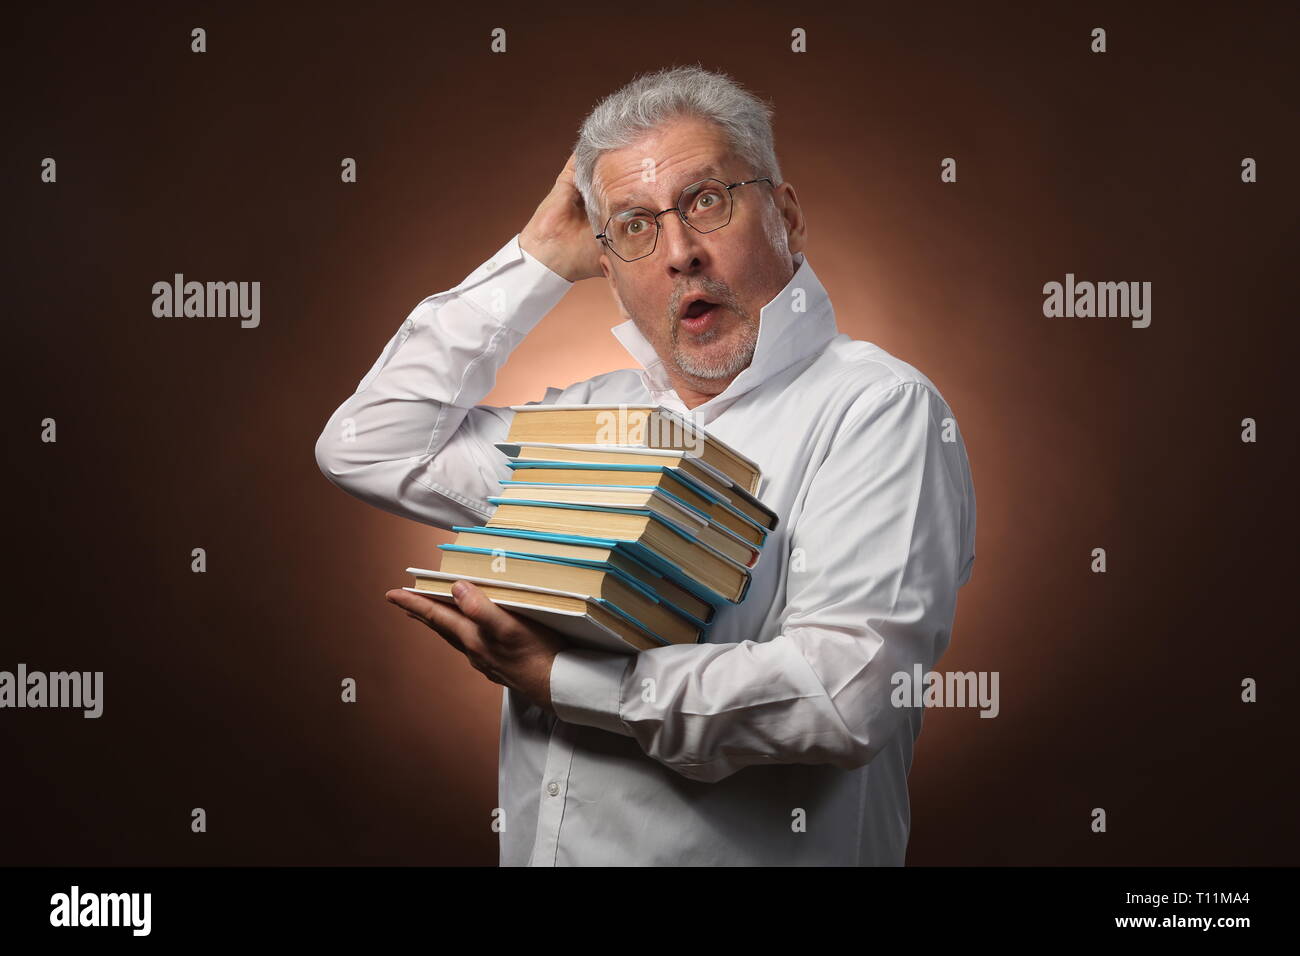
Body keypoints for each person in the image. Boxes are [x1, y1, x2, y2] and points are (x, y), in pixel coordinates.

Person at [314, 64, 977, 865]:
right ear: (608, 267)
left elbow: (846, 697)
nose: (680, 253)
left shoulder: (879, 409)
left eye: (707, 201)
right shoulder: (577, 422)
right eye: (634, 226)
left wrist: (562, 681)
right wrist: (534, 261)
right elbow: (368, 441)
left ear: (788, 216)